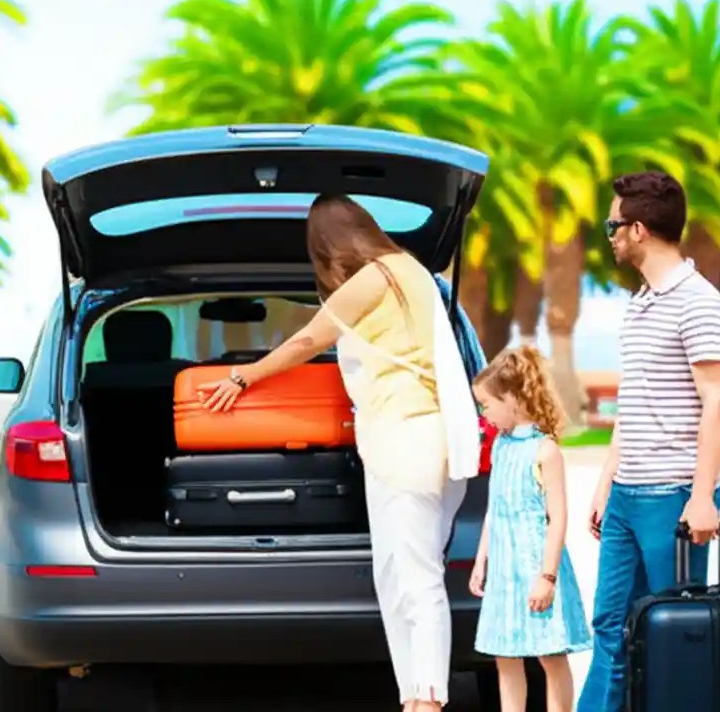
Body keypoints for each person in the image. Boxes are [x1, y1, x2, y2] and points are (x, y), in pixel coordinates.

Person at [199, 193, 481, 712]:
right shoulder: (410, 273)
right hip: (435, 444)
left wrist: (243, 375)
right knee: (397, 576)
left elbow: (308, 340)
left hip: (404, 442)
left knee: (413, 579)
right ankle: (415, 695)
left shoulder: (375, 278)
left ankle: (430, 701)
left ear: (328, 244)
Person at [577, 171, 720, 712]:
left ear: (638, 229)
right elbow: (633, 403)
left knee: (673, 637)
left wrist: (701, 494)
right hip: (626, 496)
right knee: (609, 628)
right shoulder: (642, 303)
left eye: (613, 225)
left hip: (673, 497)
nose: (611, 236)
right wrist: (605, 482)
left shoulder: (700, 303)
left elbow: (717, 402)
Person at [469, 347, 591, 712]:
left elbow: (558, 518)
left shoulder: (545, 450)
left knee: (549, 656)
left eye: (488, 405)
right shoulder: (501, 447)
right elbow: (495, 509)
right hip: (505, 573)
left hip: (535, 569)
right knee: (505, 657)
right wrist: (481, 560)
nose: (485, 415)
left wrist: (547, 577)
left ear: (513, 399)